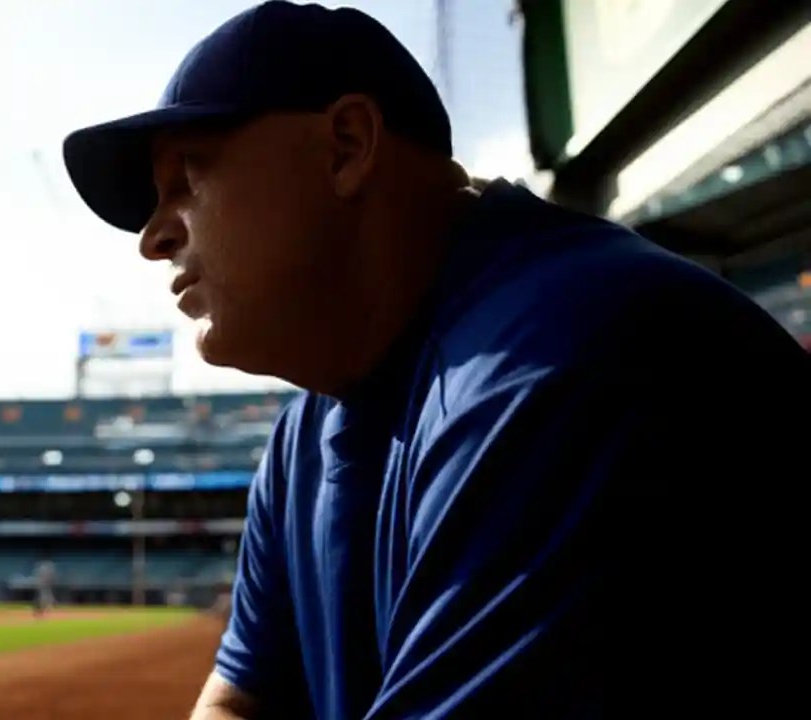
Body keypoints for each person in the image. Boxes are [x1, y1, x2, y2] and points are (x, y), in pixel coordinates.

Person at [62, 2, 808, 718]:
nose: (153, 238)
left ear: (347, 146)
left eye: (187, 178)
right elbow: (238, 698)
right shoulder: (301, 438)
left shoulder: (558, 359)